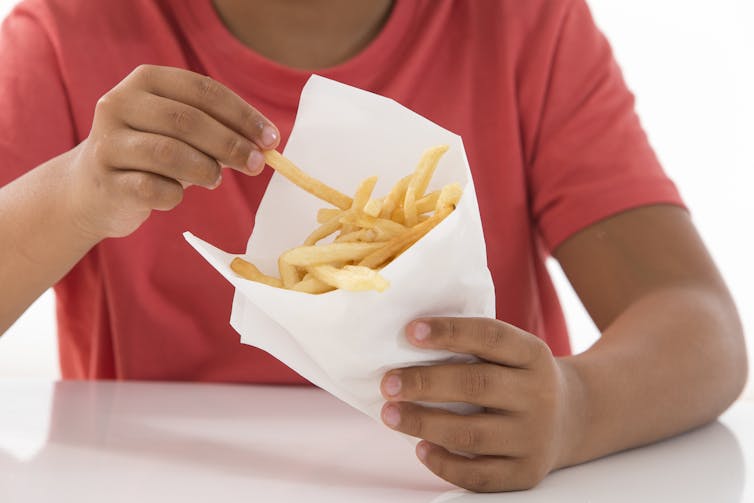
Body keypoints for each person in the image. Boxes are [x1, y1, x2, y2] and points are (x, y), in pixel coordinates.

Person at [0, 0, 747, 493]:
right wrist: (73, 189)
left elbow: (699, 326)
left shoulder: (526, 24)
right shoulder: (66, 36)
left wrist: (575, 409)